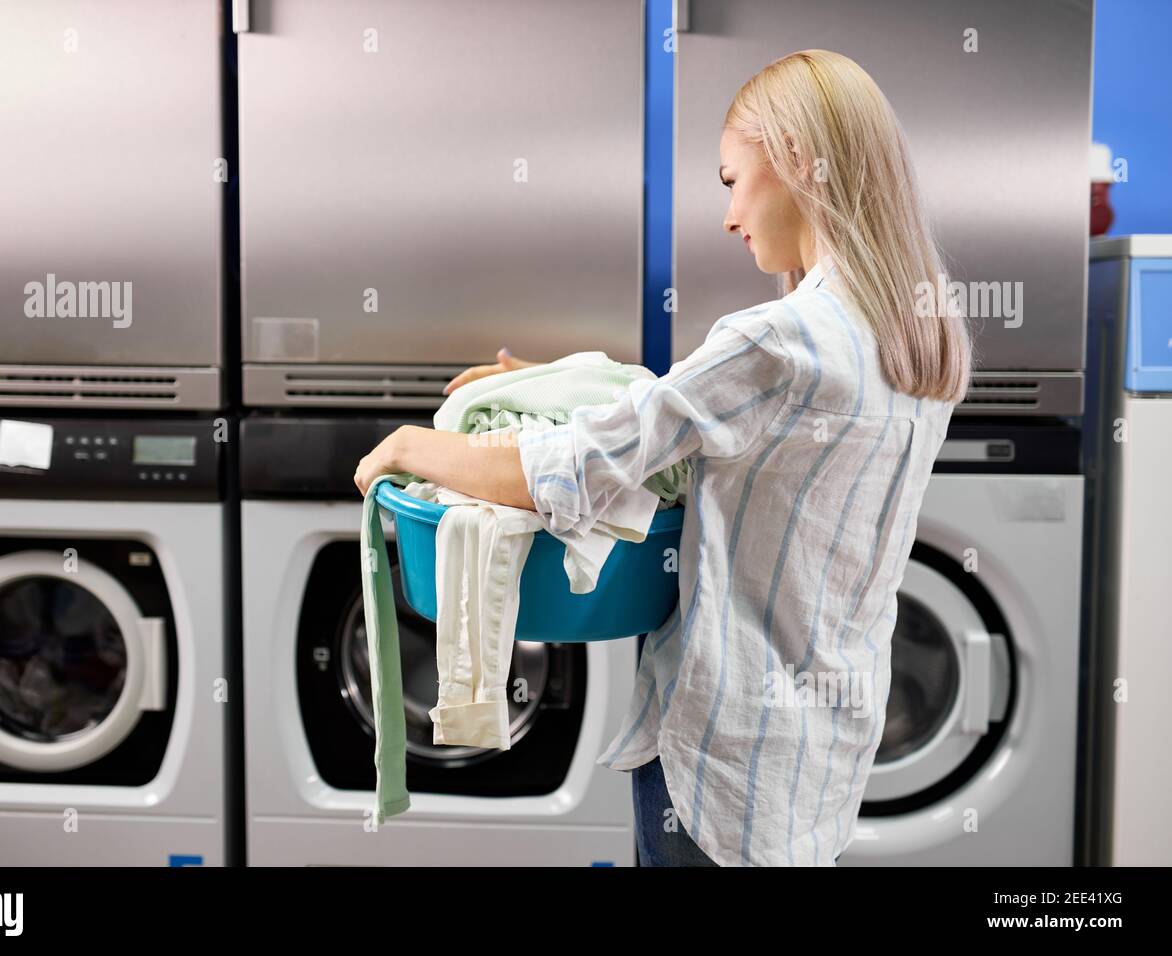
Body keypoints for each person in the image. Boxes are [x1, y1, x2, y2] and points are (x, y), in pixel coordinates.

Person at [355, 49, 971, 866]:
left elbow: (568, 472)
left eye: (730, 180)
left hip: (720, 757)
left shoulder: (777, 339)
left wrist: (415, 446)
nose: (728, 215)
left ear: (794, 160)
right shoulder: (915, 334)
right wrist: (559, 385)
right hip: (819, 749)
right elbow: (722, 425)